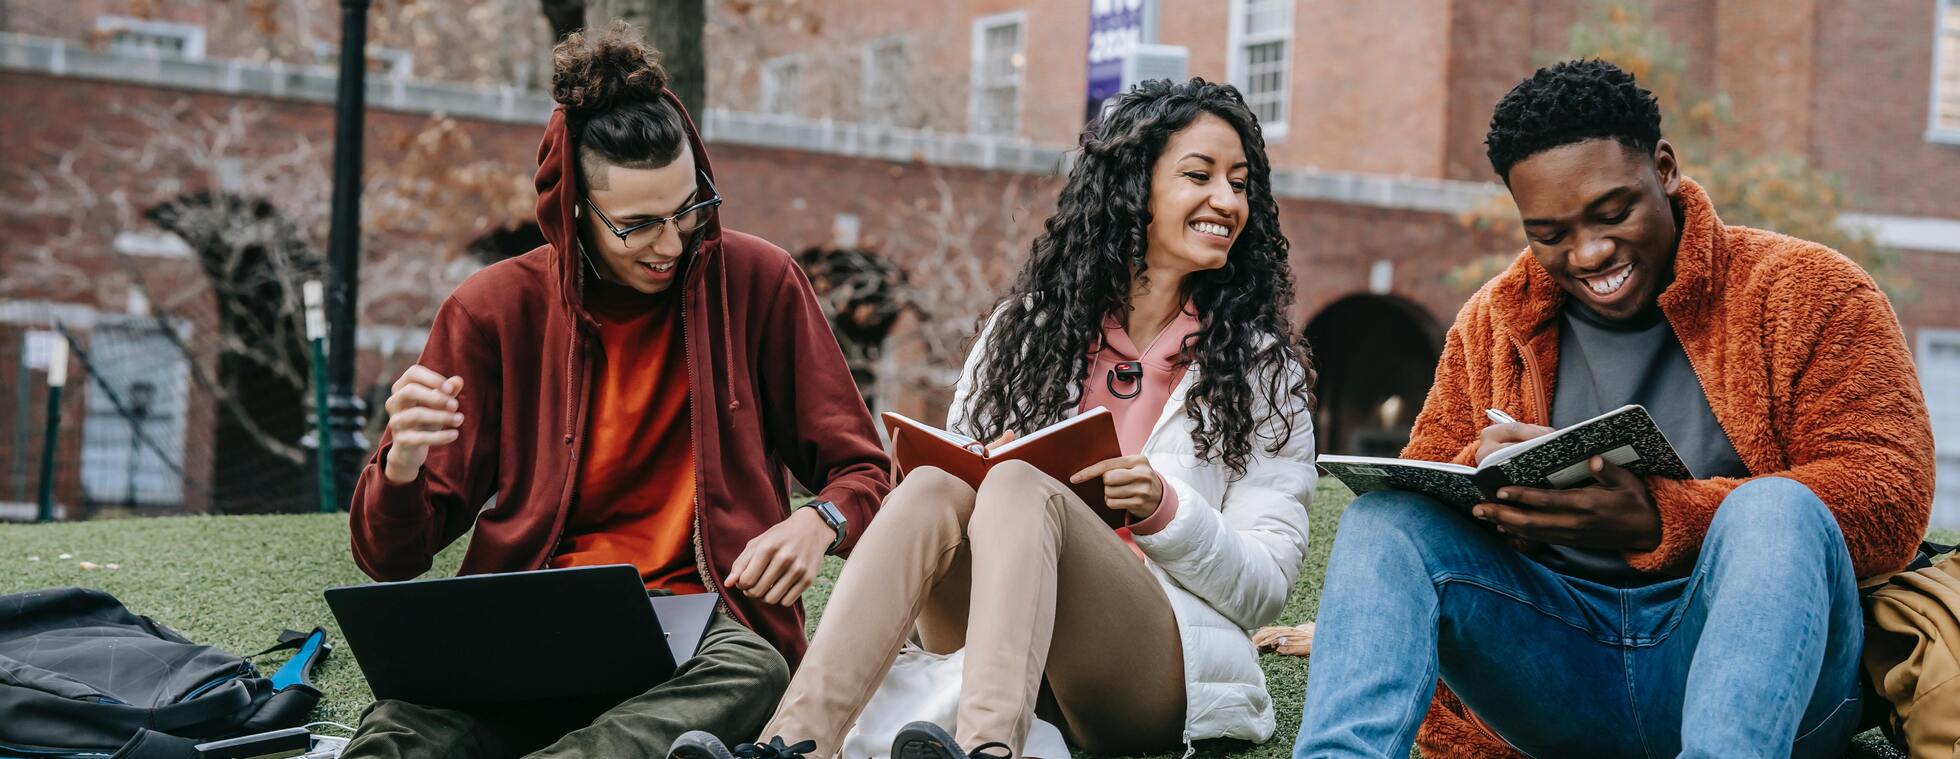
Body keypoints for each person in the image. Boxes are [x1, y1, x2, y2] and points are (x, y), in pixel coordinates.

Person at [1292, 59, 1936, 759]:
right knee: (1386, 520)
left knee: (1776, 509)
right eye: (1550, 233)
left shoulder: (1811, 291)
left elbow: (1890, 494)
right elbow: (1430, 485)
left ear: (1664, 168)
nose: (1590, 252)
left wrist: (1664, 518)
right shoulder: (1493, 320)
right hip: (1560, 671)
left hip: (1767, 681)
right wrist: (1489, 476)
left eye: (1613, 213)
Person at [667, 76, 1318, 759]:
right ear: (1133, 187)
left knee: (1021, 484)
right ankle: (792, 743)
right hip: (996, 643)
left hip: (1150, 672)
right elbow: (950, 500)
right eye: (1199, 175)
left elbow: (1266, 586)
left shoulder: (1261, 369)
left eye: (1240, 183)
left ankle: (989, 747)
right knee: (937, 485)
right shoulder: (1024, 333)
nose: (1227, 201)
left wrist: (1165, 508)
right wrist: (981, 468)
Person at [339, 22, 891, 759]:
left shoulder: (760, 283)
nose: (672, 242)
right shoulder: (491, 309)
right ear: (573, 208)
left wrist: (820, 519)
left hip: (702, 625)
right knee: (401, 724)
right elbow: (389, 558)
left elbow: (864, 469)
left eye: (688, 208)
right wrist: (402, 466)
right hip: (531, 616)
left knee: (755, 671)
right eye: (638, 225)